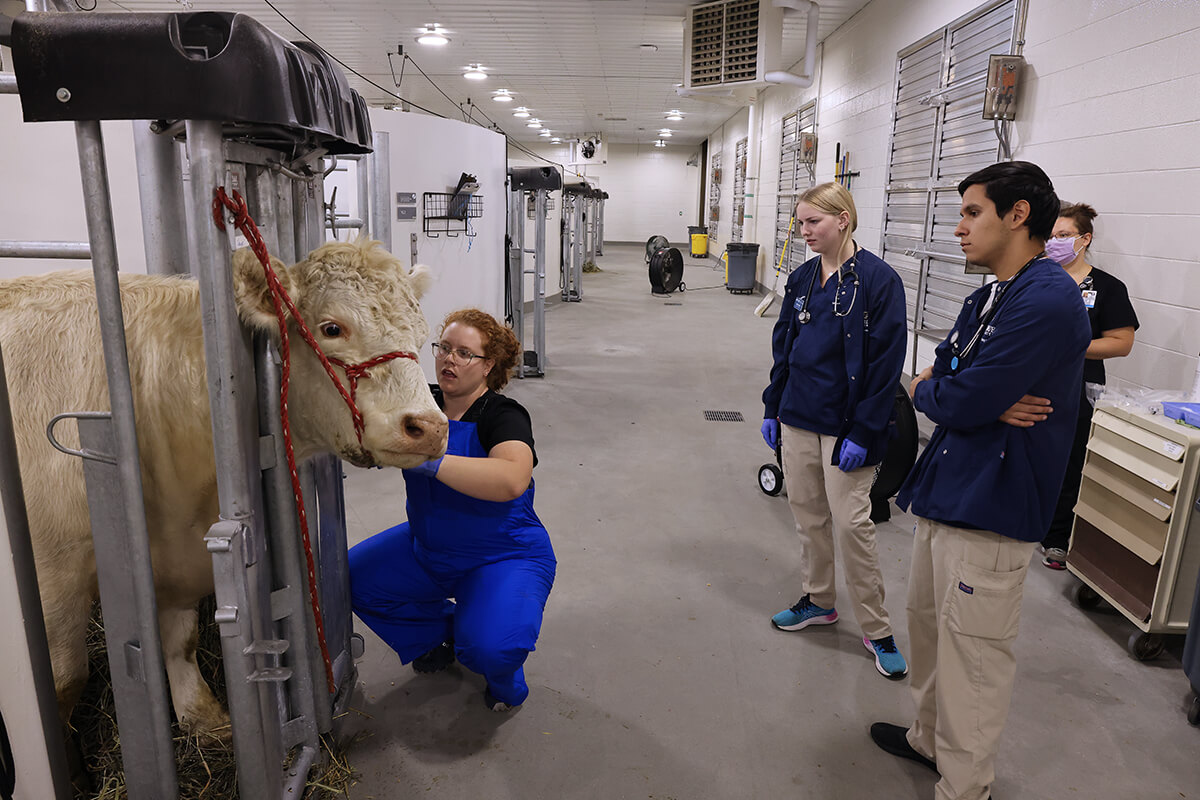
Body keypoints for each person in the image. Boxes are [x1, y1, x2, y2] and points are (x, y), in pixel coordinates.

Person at [869, 161, 1090, 800]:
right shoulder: (988, 294)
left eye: (972, 212)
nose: (959, 228)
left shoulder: (1047, 301)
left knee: (975, 658)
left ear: (1017, 215)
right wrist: (952, 391)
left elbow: (959, 396)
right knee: (932, 632)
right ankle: (929, 741)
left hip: (995, 504)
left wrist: (958, 394)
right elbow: (943, 378)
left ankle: (965, 786)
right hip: (951, 489)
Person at [348, 308, 555, 712]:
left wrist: (431, 461)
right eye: (444, 348)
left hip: (502, 554)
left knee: (491, 649)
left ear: (488, 365)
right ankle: (437, 634)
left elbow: (512, 477)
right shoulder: (420, 404)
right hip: (427, 547)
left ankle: (503, 677)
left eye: (464, 353)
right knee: (350, 580)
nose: (448, 360)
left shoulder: (502, 414)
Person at [761, 181, 910, 678]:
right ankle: (819, 601)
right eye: (800, 223)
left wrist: (866, 432)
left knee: (851, 525)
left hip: (849, 425)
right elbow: (785, 345)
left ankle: (877, 628)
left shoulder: (878, 281)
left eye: (813, 222)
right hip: (799, 416)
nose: (804, 232)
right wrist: (772, 405)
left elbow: (885, 367)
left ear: (843, 219)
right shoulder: (803, 278)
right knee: (807, 516)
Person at [1037, 203, 1138, 569]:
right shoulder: (1036, 279)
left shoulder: (1108, 288)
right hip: (1032, 382)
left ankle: (1056, 537)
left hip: (1079, 387)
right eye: (1050, 236)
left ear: (1085, 239)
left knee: (1070, 459)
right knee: (1027, 453)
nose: (1054, 243)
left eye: (1063, 236)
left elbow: (1121, 342)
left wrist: (1072, 349)